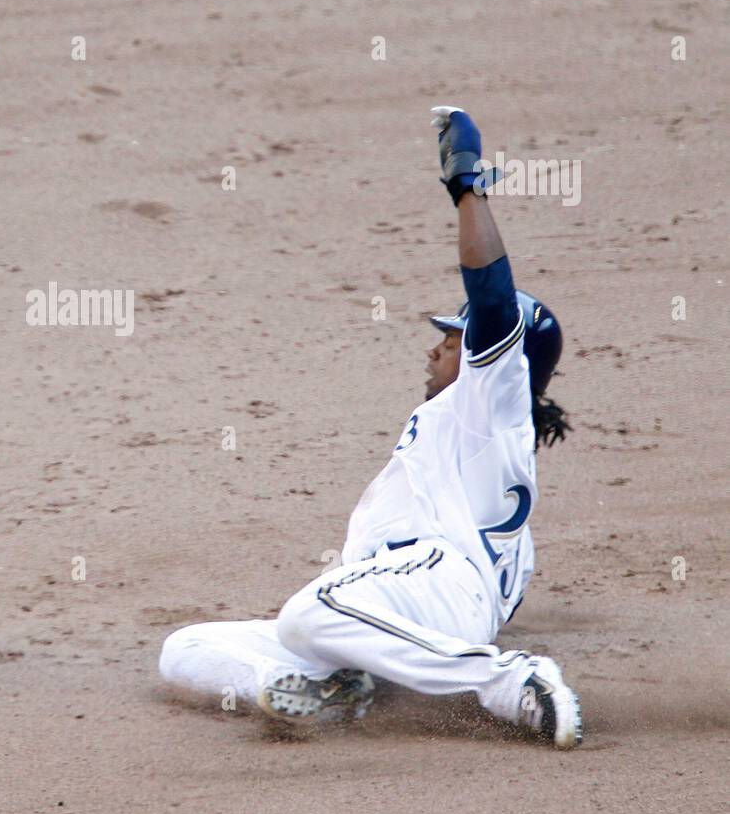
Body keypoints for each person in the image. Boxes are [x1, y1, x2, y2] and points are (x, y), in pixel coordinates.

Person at [159, 107, 581, 749]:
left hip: (433, 579)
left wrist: (468, 188)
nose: (435, 350)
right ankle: (316, 692)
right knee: (187, 647)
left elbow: (494, 301)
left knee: (308, 613)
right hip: (399, 604)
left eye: (452, 342)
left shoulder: (491, 405)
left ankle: (507, 682)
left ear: (493, 362)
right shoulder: (483, 440)